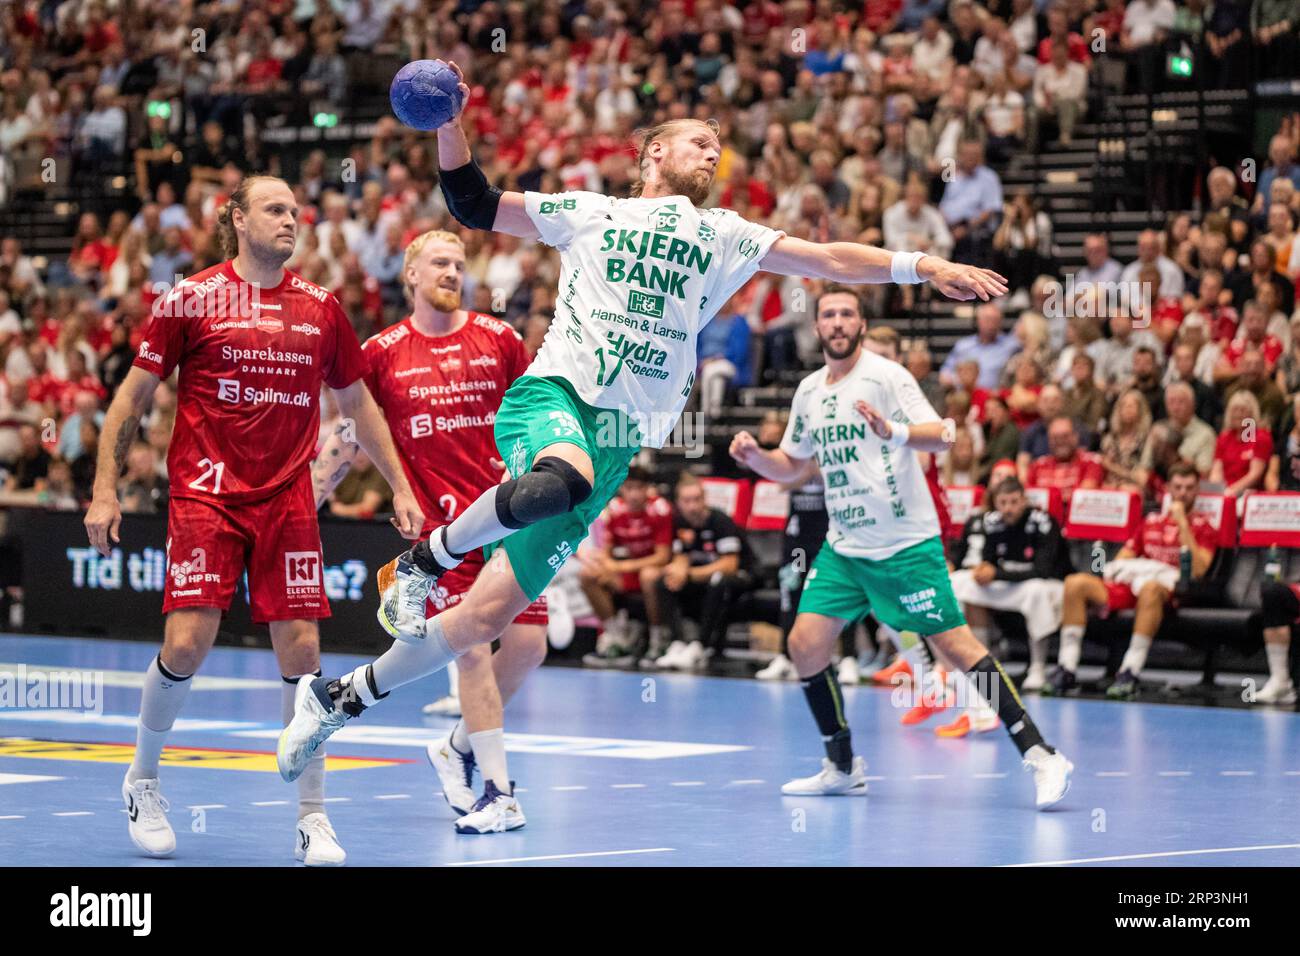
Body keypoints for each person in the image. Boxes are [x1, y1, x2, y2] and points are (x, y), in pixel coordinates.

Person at [279, 67, 1007, 791]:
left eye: (717, 147)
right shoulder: (592, 212)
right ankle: (423, 562)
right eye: (697, 141)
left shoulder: (726, 233)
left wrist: (921, 266)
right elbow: (473, 201)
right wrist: (448, 121)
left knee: (482, 618)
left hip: (621, 440)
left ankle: (339, 698)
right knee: (560, 479)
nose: (711, 153)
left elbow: (827, 258)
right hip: (555, 398)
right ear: (653, 154)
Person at [83, 175, 422, 865]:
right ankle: (143, 778)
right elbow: (131, 399)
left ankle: (314, 817)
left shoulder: (323, 309)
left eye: (296, 210)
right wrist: (104, 488)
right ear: (237, 219)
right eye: (275, 209)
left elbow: (359, 408)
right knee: (187, 644)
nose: (291, 220)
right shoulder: (189, 298)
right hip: (206, 492)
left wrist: (401, 487)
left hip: (288, 498)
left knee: (303, 658)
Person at [728, 282, 1072, 808]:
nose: (838, 323)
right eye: (829, 316)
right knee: (803, 645)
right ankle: (842, 765)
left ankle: (1042, 754)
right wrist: (757, 458)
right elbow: (793, 466)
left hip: (906, 544)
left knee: (957, 648)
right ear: (817, 327)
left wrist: (894, 432)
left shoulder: (887, 377)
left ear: (861, 325)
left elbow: (943, 435)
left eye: (847, 314)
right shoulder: (810, 392)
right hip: (845, 548)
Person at [309, 228, 547, 834]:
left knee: (527, 646)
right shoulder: (383, 351)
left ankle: (456, 746)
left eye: (460, 265)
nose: (452, 272)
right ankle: (497, 792)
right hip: (441, 532)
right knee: (469, 650)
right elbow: (350, 433)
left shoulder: (498, 337)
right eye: (439, 262)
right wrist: (310, 495)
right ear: (410, 274)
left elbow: (536, 410)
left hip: (508, 514)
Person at [1050, 463, 1216, 698]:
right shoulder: (1150, 521)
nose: (1183, 493)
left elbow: (1199, 570)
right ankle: (1066, 668)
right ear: (1168, 488)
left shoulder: (1204, 526)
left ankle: (1130, 670)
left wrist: (1182, 523)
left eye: (1189, 488)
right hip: (1134, 583)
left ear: (1198, 489)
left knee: (1150, 589)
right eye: (1178, 487)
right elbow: (1121, 561)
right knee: (1075, 583)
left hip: (1169, 590)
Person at [950, 477, 1068, 693]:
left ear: (1024, 500)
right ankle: (981, 664)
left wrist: (996, 573)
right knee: (962, 583)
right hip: (1009, 581)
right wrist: (983, 571)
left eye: (1014, 502)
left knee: (1036, 592)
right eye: (1003, 503)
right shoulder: (993, 522)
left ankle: (1038, 666)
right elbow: (989, 560)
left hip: (1048, 582)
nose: (1008, 508)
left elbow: (1043, 570)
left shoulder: (1043, 521)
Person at [650, 474, 755, 670]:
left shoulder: (720, 520)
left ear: (705, 498)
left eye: (697, 499)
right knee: (664, 580)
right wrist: (678, 570)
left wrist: (689, 574)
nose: (693, 506)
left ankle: (700, 646)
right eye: (687, 501)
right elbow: (680, 555)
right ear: (678, 502)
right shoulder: (680, 523)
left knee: (719, 580)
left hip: (738, 578)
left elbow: (729, 564)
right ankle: (677, 643)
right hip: (702, 579)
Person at [579, 466, 673, 667]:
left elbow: (662, 557)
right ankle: (616, 637)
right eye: (629, 488)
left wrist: (623, 566)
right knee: (588, 574)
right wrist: (607, 565)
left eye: (639, 488)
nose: (634, 494)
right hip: (626, 576)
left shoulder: (660, 509)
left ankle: (659, 640)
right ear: (622, 489)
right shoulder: (615, 509)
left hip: (654, 573)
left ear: (648, 489)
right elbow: (606, 554)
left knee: (648, 575)